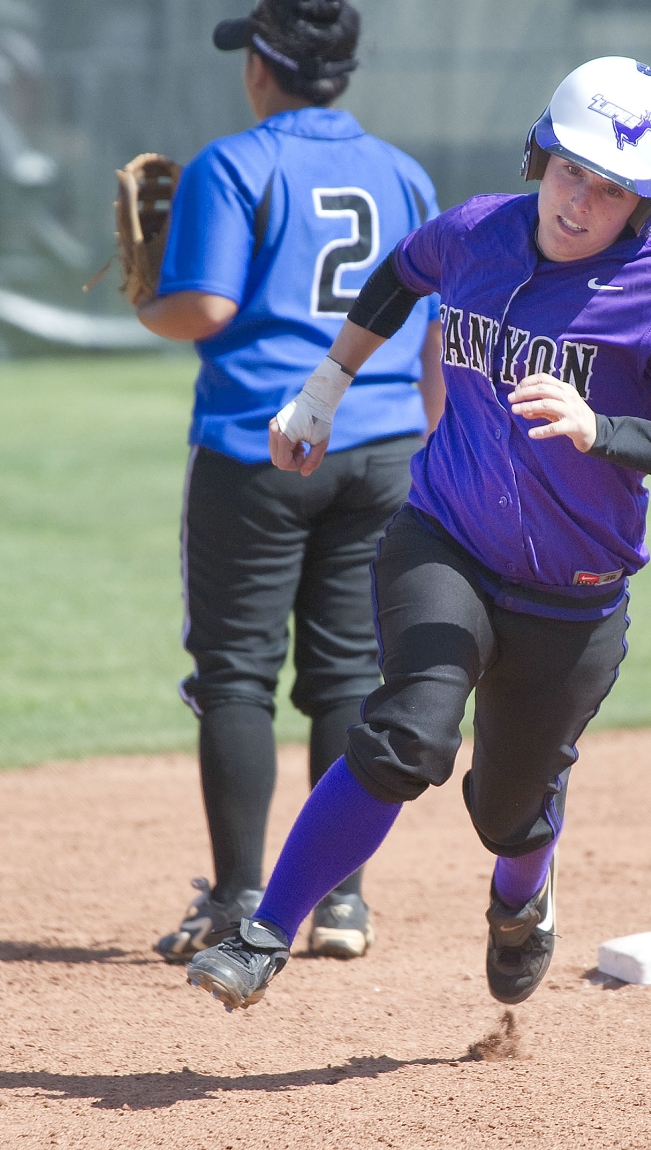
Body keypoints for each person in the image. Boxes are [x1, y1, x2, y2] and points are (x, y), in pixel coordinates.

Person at [185, 55, 651, 1011]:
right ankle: (262, 933)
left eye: (612, 190)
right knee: (406, 736)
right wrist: (324, 388)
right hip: (443, 539)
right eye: (570, 170)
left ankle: (523, 899)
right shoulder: (480, 230)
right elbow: (400, 275)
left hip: (574, 592)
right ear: (539, 156)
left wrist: (602, 429)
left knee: (507, 814)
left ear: (650, 204)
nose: (580, 203)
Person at [136, 0, 444, 965]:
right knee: (348, 674)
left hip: (257, 446)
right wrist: (428, 444)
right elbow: (432, 332)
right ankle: (341, 902)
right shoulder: (404, 174)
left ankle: (238, 899)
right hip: (383, 446)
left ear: (262, 67)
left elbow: (204, 307)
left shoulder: (234, 164)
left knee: (236, 673)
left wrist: (149, 302)